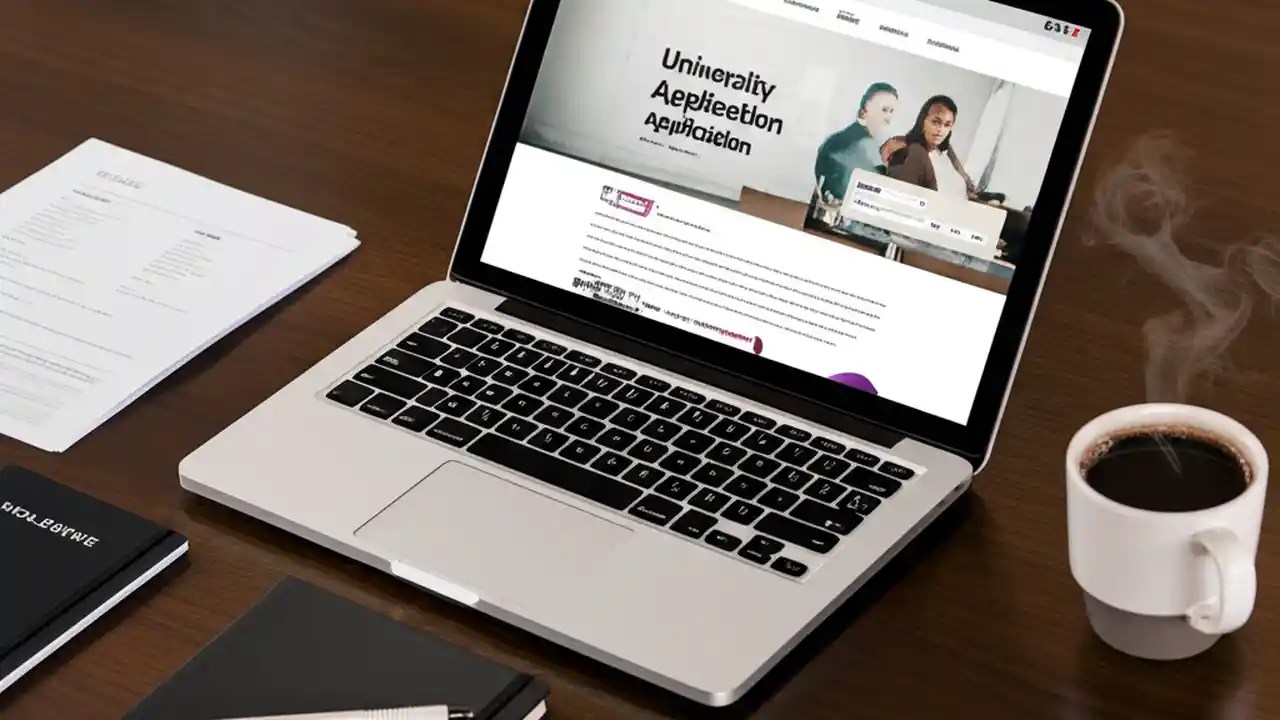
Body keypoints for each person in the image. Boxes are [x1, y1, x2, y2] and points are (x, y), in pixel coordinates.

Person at [813, 82, 898, 204]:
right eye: (884, 110)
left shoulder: (841, 138)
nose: (888, 118)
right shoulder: (862, 145)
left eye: (891, 111)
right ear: (863, 111)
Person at [886, 95, 979, 200]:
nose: (940, 130)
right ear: (923, 121)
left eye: (947, 125)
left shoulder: (945, 151)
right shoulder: (915, 153)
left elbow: (965, 186)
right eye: (935, 122)